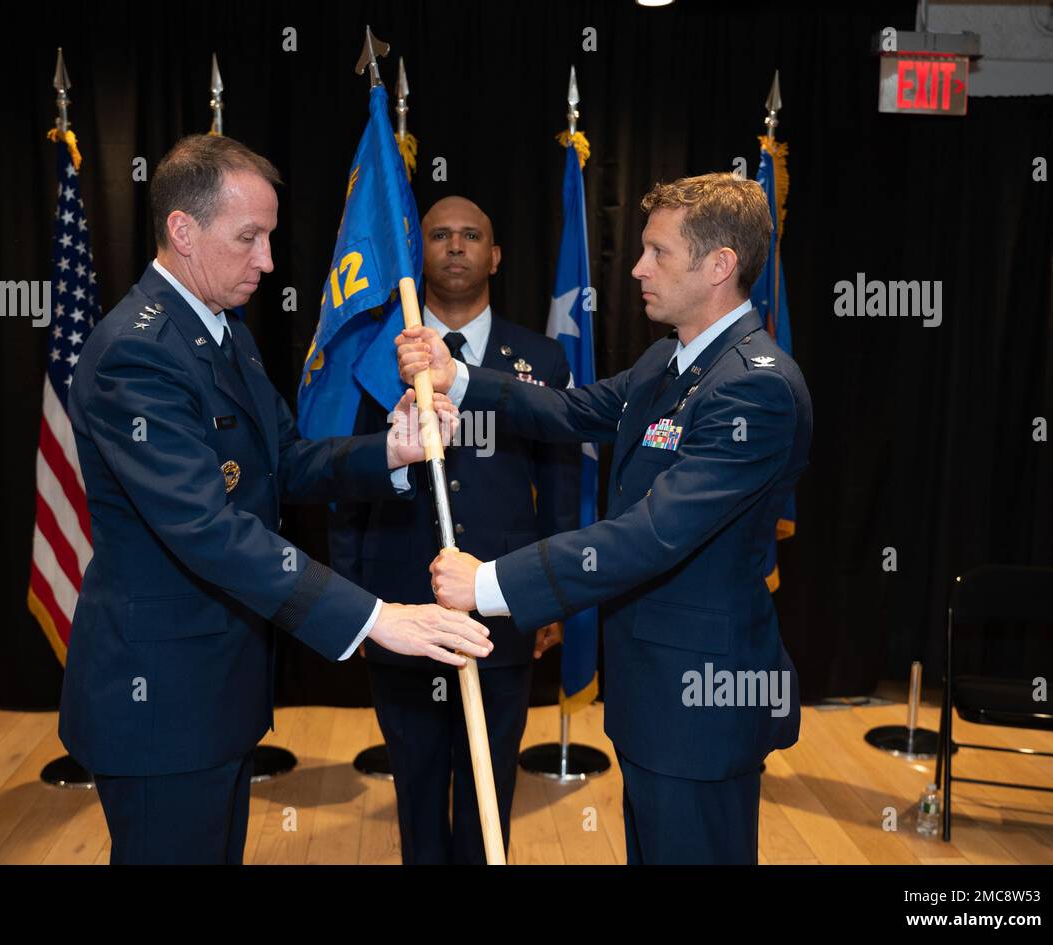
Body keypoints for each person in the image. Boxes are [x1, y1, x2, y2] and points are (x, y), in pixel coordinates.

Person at [59, 135, 491, 865]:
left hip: (212, 692)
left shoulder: (223, 332)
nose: (266, 261)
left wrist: (392, 451)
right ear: (184, 231)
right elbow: (208, 529)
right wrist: (376, 618)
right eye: (249, 238)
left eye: (269, 238)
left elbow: (283, 463)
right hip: (158, 701)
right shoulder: (137, 354)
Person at [400, 172, 812, 864]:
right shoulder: (669, 359)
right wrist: (459, 377)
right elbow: (571, 410)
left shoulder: (756, 388)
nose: (639, 271)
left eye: (657, 254)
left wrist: (492, 585)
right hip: (655, 694)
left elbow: (654, 533)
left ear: (719, 266)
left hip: (701, 702)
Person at [335, 196, 578, 864]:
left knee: (489, 781)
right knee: (414, 781)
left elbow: (561, 485)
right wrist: (352, 597)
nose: (456, 246)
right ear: (421, 255)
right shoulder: (377, 360)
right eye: (440, 235)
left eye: (472, 234)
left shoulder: (540, 359)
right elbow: (348, 481)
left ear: (495, 255)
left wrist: (551, 595)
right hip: (399, 600)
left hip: (503, 604)